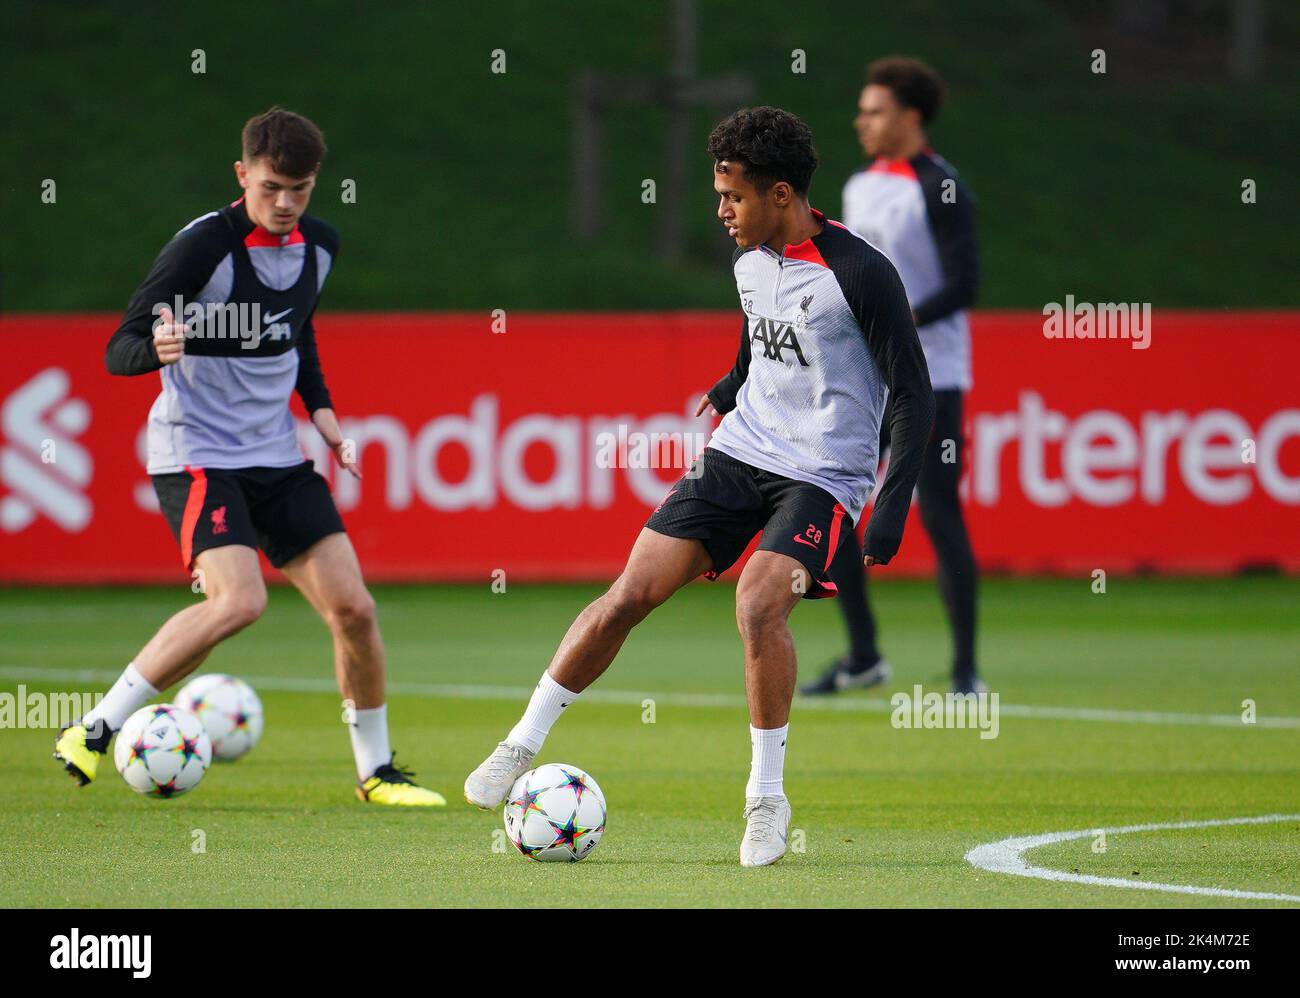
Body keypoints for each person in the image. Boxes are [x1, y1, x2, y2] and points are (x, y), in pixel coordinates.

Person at [464, 106, 934, 866]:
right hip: (741, 450)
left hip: (820, 475)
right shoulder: (750, 258)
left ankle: (765, 799)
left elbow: (914, 393)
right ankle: (521, 744)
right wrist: (728, 384)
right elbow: (761, 339)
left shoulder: (861, 274)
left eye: (732, 197)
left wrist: (891, 505)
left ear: (782, 195)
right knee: (629, 593)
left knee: (757, 604)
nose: (721, 212)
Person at [53, 107, 445, 806]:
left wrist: (323, 418)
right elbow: (119, 348)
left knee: (354, 609)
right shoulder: (201, 248)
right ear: (243, 176)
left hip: (277, 455)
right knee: (241, 602)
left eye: (299, 188)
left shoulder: (320, 247)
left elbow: (300, 336)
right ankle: (93, 728)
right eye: (271, 188)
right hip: (197, 453)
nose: (286, 203)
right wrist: (156, 350)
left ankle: (377, 773)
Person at [802, 56, 985, 697]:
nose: (862, 121)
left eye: (875, 110)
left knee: (937, 512)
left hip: (933, 377)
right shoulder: (857, 188)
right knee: (839, 504)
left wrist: (905, 313)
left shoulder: (940, 186)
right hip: (866, 375)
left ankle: (965, 670)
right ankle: (863, 656)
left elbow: (966, 282)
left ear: (910, 117)